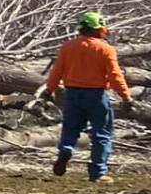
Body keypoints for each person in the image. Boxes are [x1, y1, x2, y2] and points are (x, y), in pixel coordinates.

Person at [43, 11, 134, 183]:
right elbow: (115, 75)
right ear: (98, 29)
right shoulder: (105, 49)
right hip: (97, 96)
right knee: (102, 133)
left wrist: (49, 90)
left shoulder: (67, 47)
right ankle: (98, 173)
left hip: (72, 95)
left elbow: (57, 71)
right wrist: (126, 97)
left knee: (70, 129)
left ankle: (67, 148)